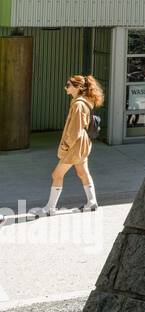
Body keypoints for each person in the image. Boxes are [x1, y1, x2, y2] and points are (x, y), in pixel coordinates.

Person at [34, 75, 103, 216]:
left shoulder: (78, 104)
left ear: (78, 87)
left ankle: (49, 208)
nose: (66, 88)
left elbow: (75, 130)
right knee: (83, 173)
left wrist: (65, 146)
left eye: (68, 85)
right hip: (83, 143)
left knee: (57, 174)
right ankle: (92, 202)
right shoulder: (83, 102)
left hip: (76, 145)